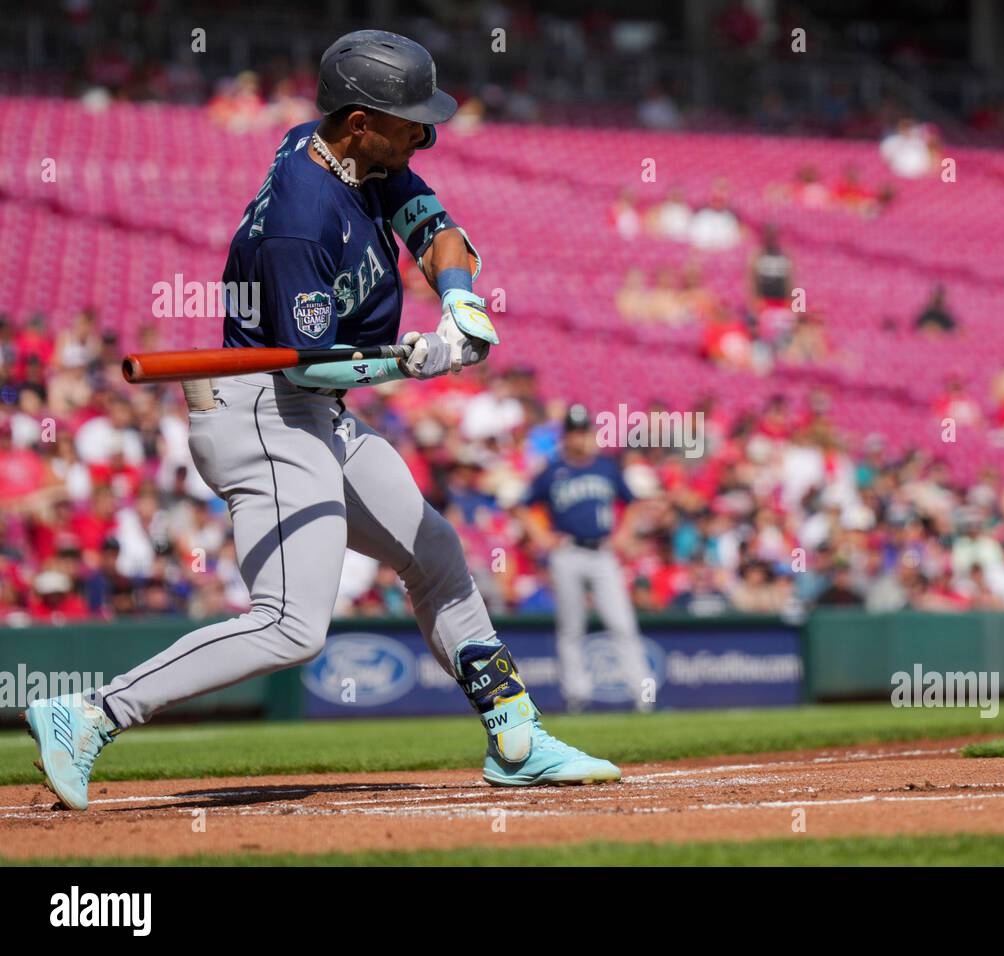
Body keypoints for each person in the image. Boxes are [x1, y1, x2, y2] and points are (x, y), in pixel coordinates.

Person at [23, 30, 620, 813]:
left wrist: (461, 300)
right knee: (291, 626)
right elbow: (308, 362)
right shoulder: (301, 221)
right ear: (360, 119)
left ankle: (515, 736)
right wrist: (417, 361)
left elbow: (436, 229)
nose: (427, 132)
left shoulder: (349, 152)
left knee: (434, 551)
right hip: (263, 410)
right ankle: (88, 715)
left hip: (311, 410)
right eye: (408, 118)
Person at [517, 404, 654, 713]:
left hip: (603, 552)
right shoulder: (552, 470)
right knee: (571, 628)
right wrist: (539, 536)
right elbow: (522, 504)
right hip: (567, 552)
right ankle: (576, 696)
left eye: (583, 431)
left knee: (621, 623)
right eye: (574, 432)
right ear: (565, 436)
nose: (579, 438)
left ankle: (643, 694)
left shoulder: (606, 467)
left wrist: (625, 533)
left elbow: (632, 502)